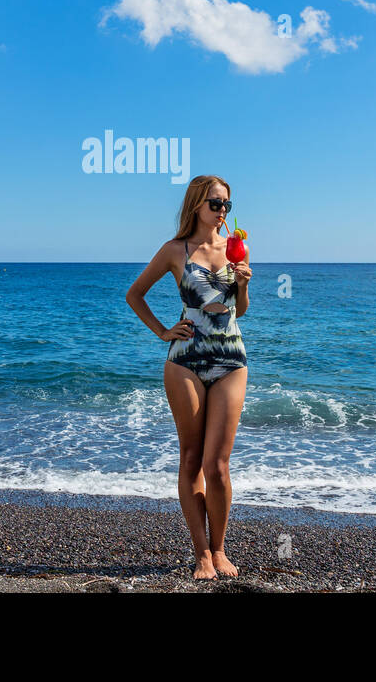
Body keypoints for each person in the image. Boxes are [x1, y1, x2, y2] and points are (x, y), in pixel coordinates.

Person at [125, 174, 251, 580]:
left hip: (231, 355)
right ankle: (200, 554)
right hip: (185, 359)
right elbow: (135, 294)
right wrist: (163, 331)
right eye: (215, 204)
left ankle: (220, 549)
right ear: (197, 204)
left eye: (227, 206)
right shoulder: (175, 250)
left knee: (218, 465)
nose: (221, 212)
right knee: (192, 458)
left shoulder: (235, 250)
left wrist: (244, 286)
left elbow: (239, 311)